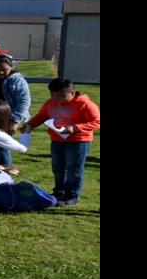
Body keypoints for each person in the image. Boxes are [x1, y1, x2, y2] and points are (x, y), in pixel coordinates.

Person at [22, 79, 100, 207]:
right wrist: (30, 125)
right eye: (52, 94)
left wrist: (75, 128)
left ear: (72, 93)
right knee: (58, 168)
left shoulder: (86, 104)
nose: (55, 98)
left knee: (73, 170)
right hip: (57, 140)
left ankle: (72, 196)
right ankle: (59, 192)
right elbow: (42, 116)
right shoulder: (50, 103)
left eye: (60, 95)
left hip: (78, 141)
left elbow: (96, 121)